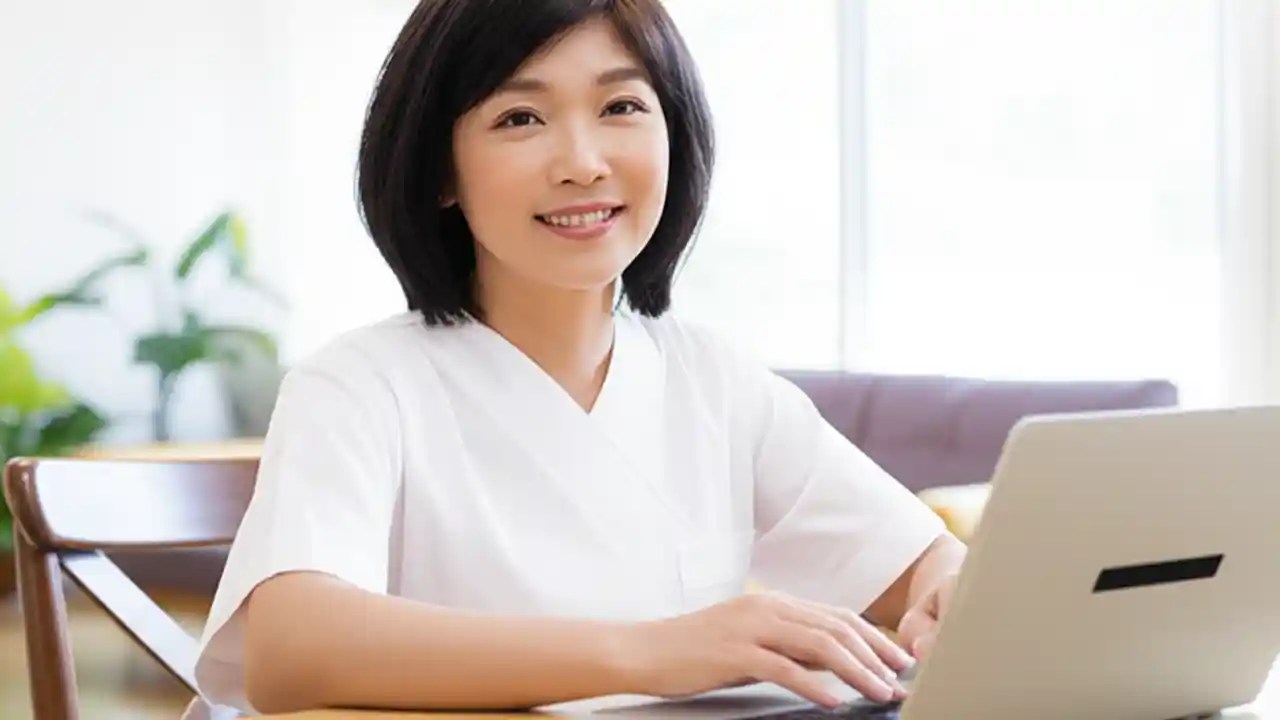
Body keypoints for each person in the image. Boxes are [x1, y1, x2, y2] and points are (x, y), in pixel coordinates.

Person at [192, 0, 967, 715]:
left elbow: (926, 564)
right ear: (438, 173)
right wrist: (651, 651)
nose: (583, 162)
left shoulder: (715, 381)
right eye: (521, 117)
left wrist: (950, 588)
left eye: (621, 106)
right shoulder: (359, 386)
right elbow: (291, 649)